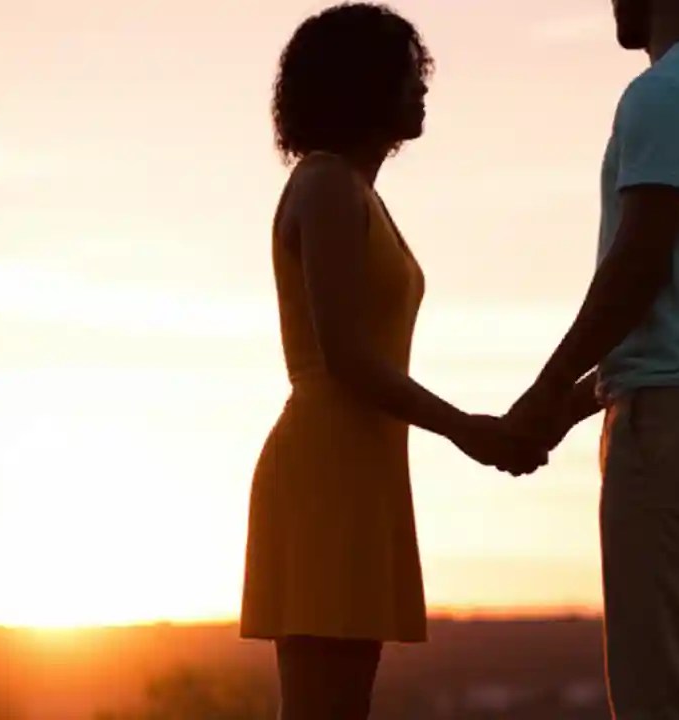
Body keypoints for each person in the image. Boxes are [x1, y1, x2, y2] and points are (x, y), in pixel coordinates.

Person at [239, 5, 545, 718]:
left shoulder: (355, 191)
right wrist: (467, 427)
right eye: (410, 74)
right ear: (363, 82)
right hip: (326, 467)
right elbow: (345, 356)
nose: (424, 88)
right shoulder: (325, 185)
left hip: (363, 465)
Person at [506, 1, 679, 718]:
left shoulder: (665, 93)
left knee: (666, 698)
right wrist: (571, 407)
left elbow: (639, 265)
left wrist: (542, 394)